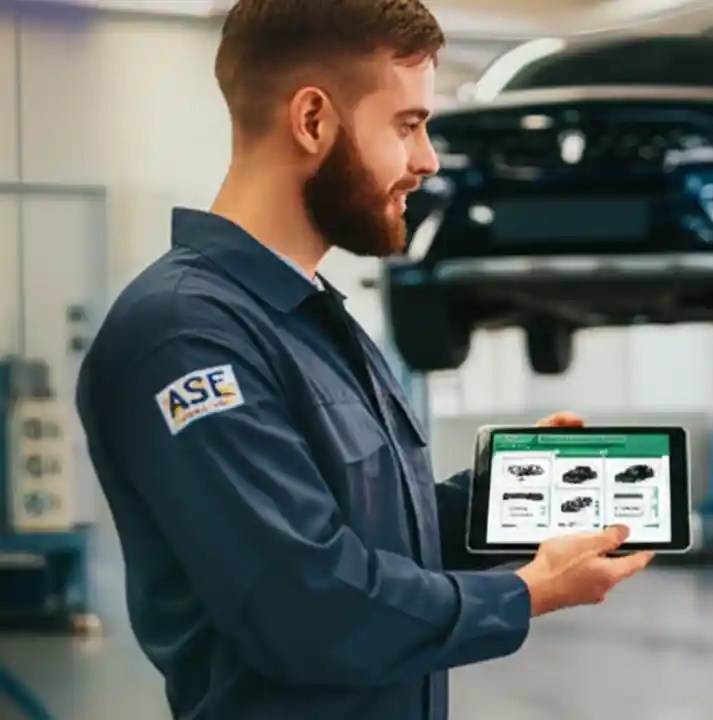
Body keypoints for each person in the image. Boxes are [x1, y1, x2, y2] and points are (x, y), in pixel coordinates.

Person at [74, 2, 653, 718]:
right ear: (313, 120)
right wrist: (528, 591)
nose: (427, 160)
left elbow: (375, 542)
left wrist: (510, 492)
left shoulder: (313, 319)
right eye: (408, 125)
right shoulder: (185, 336)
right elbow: (306, 607)